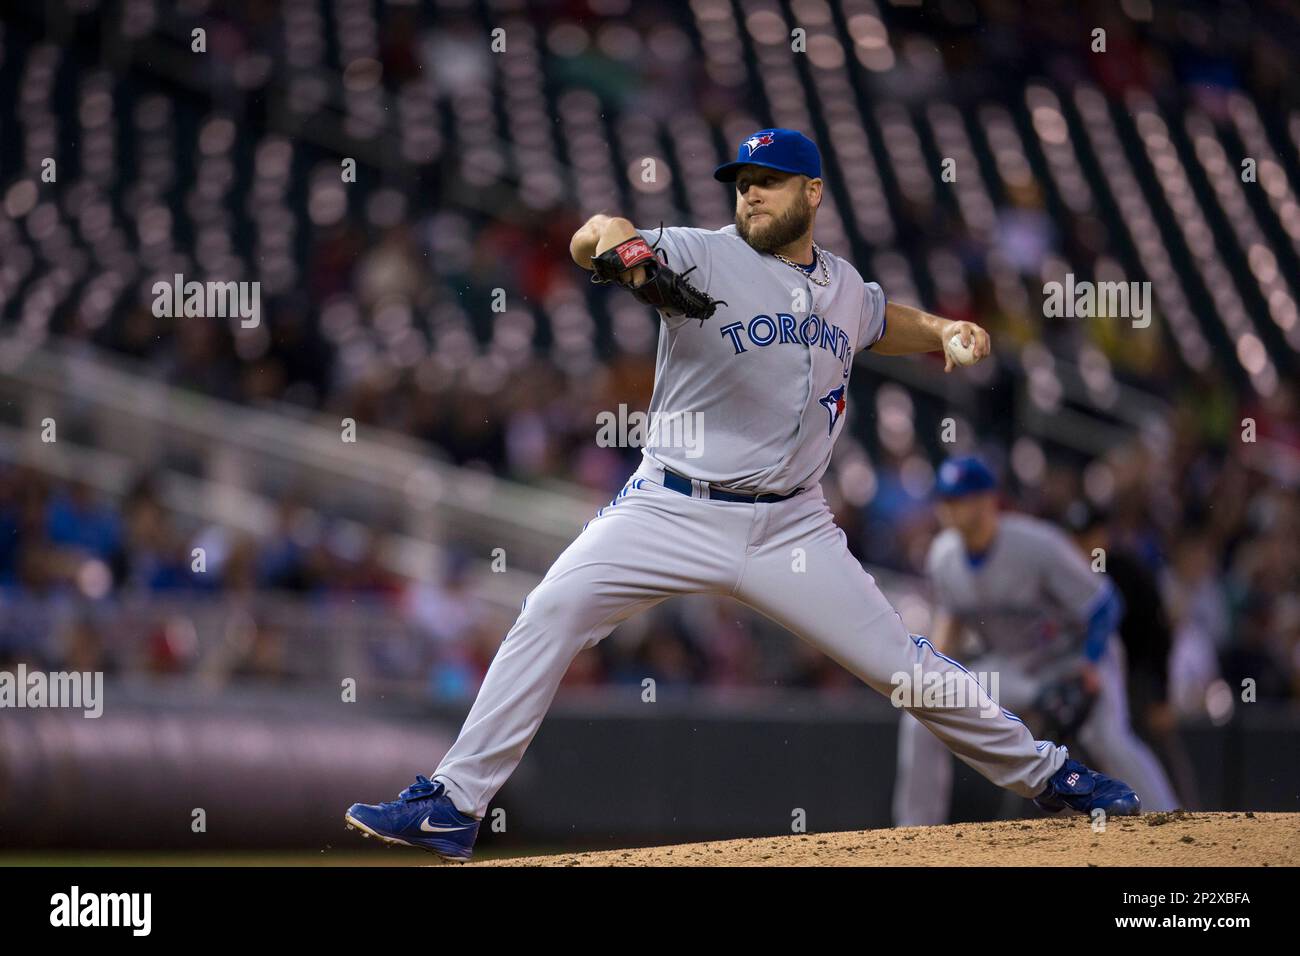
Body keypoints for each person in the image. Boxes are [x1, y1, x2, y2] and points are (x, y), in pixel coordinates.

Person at [346, 128, 1141, 860]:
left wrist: (940, 331)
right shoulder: (700, 253)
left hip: (794, 526)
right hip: (671, 506)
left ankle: (1055, 778)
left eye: (768, 181)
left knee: (905, 668)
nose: (750, 194)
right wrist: (620, 248)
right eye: (741, 183)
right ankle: (454, 802)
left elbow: (874, 317)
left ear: (814, 193)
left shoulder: (840, 289)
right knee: (547, 614)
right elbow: (597, 231)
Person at [892, 456, 1178, 828]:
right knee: (922, 712)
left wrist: (1089, 667)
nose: (949, 507)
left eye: (959, 498)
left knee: (1109, 738)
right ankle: (913, 835)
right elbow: (950, 625)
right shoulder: (944, 556)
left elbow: (1105, 604)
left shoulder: (1036, 544)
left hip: (1077, 656)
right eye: (945, 499)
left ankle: (1173, 819)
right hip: (1017, 667)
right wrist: (933, 677)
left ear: (986, 501)